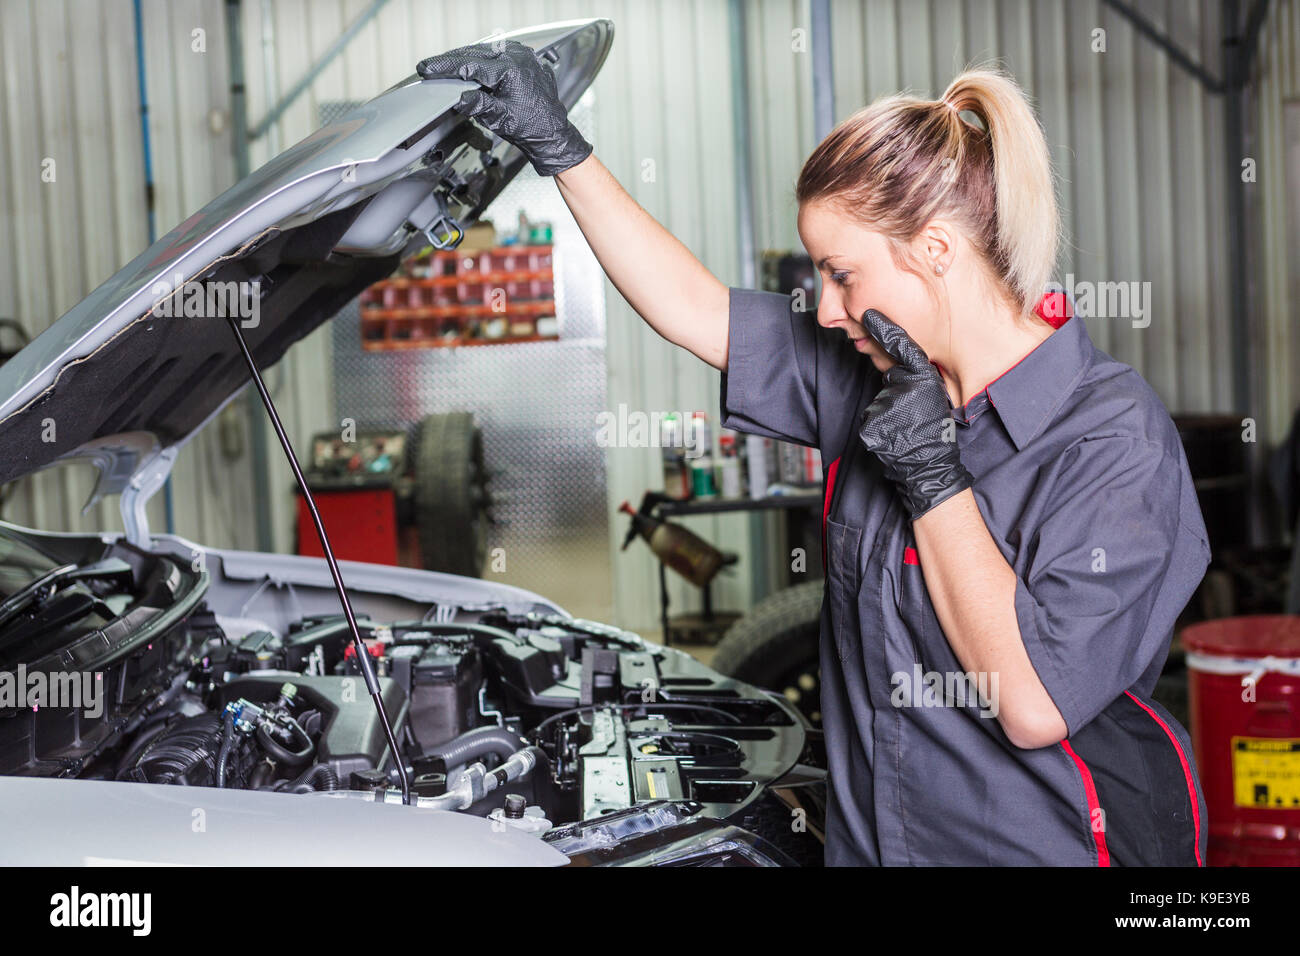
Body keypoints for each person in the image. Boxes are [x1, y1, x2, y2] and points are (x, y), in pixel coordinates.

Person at [417, 41, 1211, 866]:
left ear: (936, 251)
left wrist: (936, 484)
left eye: (842, 274)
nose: (827, 310)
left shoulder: (1111, 440)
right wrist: (564, 151)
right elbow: (696, 309)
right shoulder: (873, 376)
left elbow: (1035, 702)